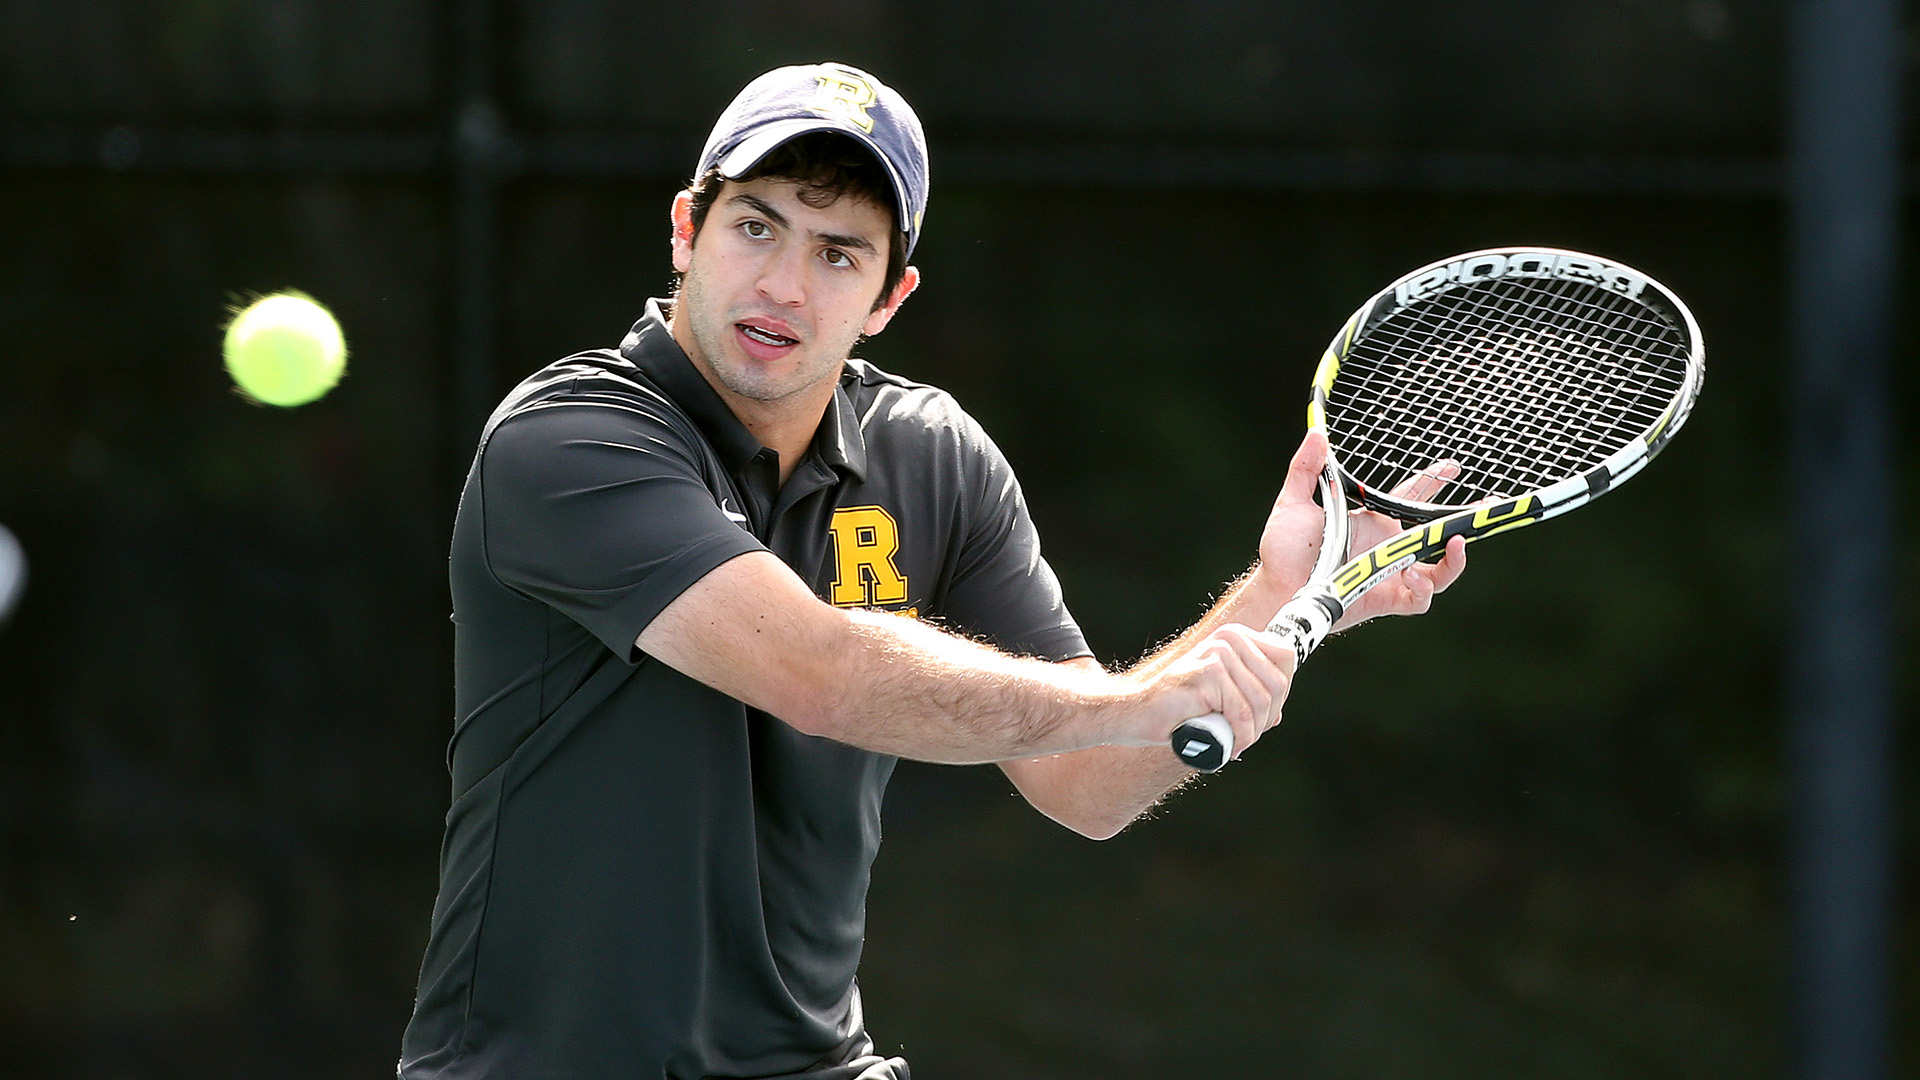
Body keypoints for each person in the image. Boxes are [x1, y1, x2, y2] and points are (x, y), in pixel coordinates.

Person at [398, 61, 1466, 1080]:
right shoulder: (569, 440)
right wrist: (1135, 701)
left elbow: (1087, 780)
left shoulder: (932, 458)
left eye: (838, 254)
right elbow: (818, 673)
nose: (783, 284)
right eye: (756, 226)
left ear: (889, 296)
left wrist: (1281, 593)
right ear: (687, 229)